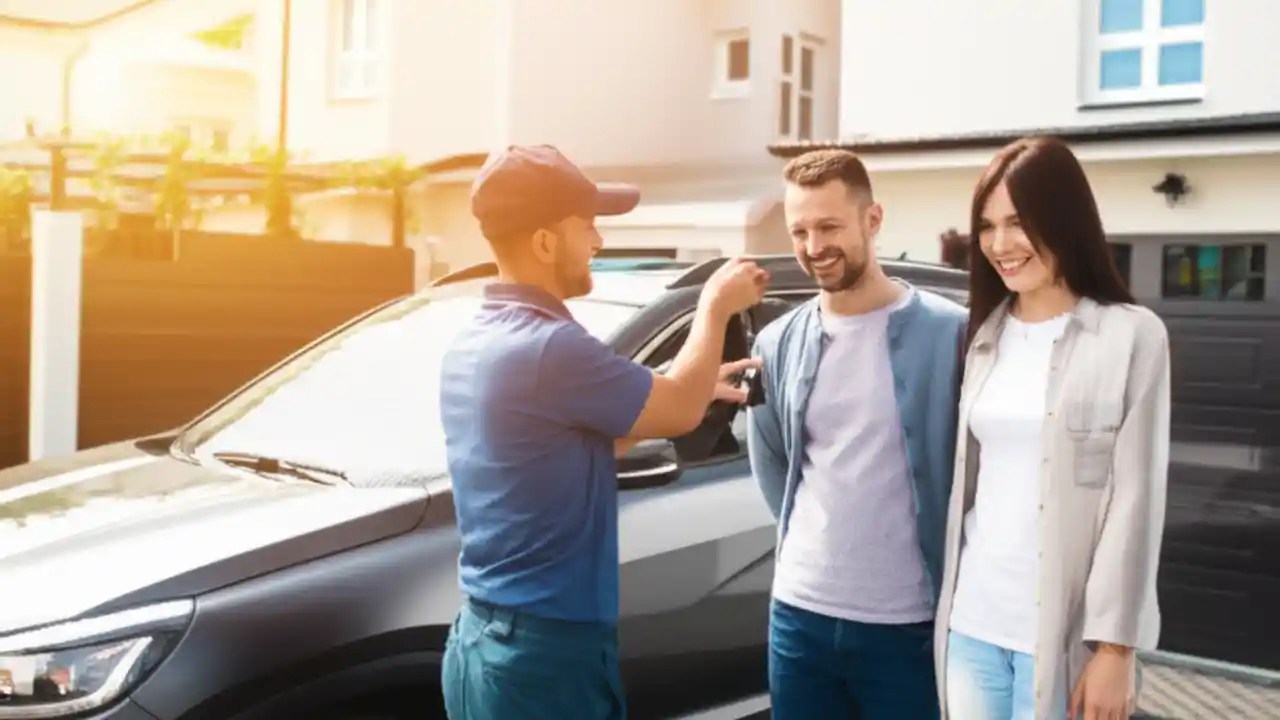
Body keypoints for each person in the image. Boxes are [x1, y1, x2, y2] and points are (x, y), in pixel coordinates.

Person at [437, 144, 769, 720]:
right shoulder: (550, 347)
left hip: (482, 642)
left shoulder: (481, 338)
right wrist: (714, 306)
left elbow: (566, 447)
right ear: (544, 241)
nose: (597, 242)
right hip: (546, 660)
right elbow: (682, 413)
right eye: (587, 226)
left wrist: (682, 385)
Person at [934, 136, 1171, 720]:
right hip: (972, 627)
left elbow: (1135, 500)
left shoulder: (1131, 336)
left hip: (1064, 638)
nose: (1000, 244)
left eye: (1019, 222)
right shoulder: (984, 338)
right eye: (987, 227)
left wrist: (1115, 649)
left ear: (1064, 220)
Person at [746, 148, 968, 719]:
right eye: (800, 230)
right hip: (799, 618)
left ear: (873, 220)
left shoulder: (952, 335)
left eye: (828, 226)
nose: (813, 246)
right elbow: (773, 463)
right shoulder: (776, 342)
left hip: (908, 626)